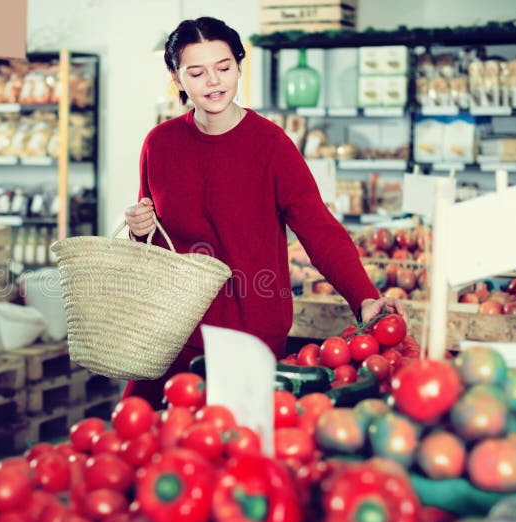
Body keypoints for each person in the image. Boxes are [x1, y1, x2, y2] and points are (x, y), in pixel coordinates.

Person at [123, 16, 404, 409]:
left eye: (223, 68)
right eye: (197, 72)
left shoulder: (271, 145)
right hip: (174, 336)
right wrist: (140, 229)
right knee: (138, 435)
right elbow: (151, 242)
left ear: (239, 65)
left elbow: (319, 231)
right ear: (176, 77)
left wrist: (365, 297)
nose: (214, 82)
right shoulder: (160, 144)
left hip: (249, 334)